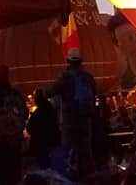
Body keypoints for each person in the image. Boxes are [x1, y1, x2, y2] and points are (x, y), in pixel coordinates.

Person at [45, 47, 97, 179]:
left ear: (68, 61)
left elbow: (49, 92)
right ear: (81, 61)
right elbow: (94, 95)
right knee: (86, 151)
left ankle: (72, 178)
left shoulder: (65, 78)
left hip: (70, 122)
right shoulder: (88, 78)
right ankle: (89, 178)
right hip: (85, 120)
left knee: (70, 152)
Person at [26, 89, 61, 168]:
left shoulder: (39, 112)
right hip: (52, 140)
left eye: (35, 98)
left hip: (41, 143)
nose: (34, 100)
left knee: (44, 164)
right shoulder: (51, 109)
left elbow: (29, 127)